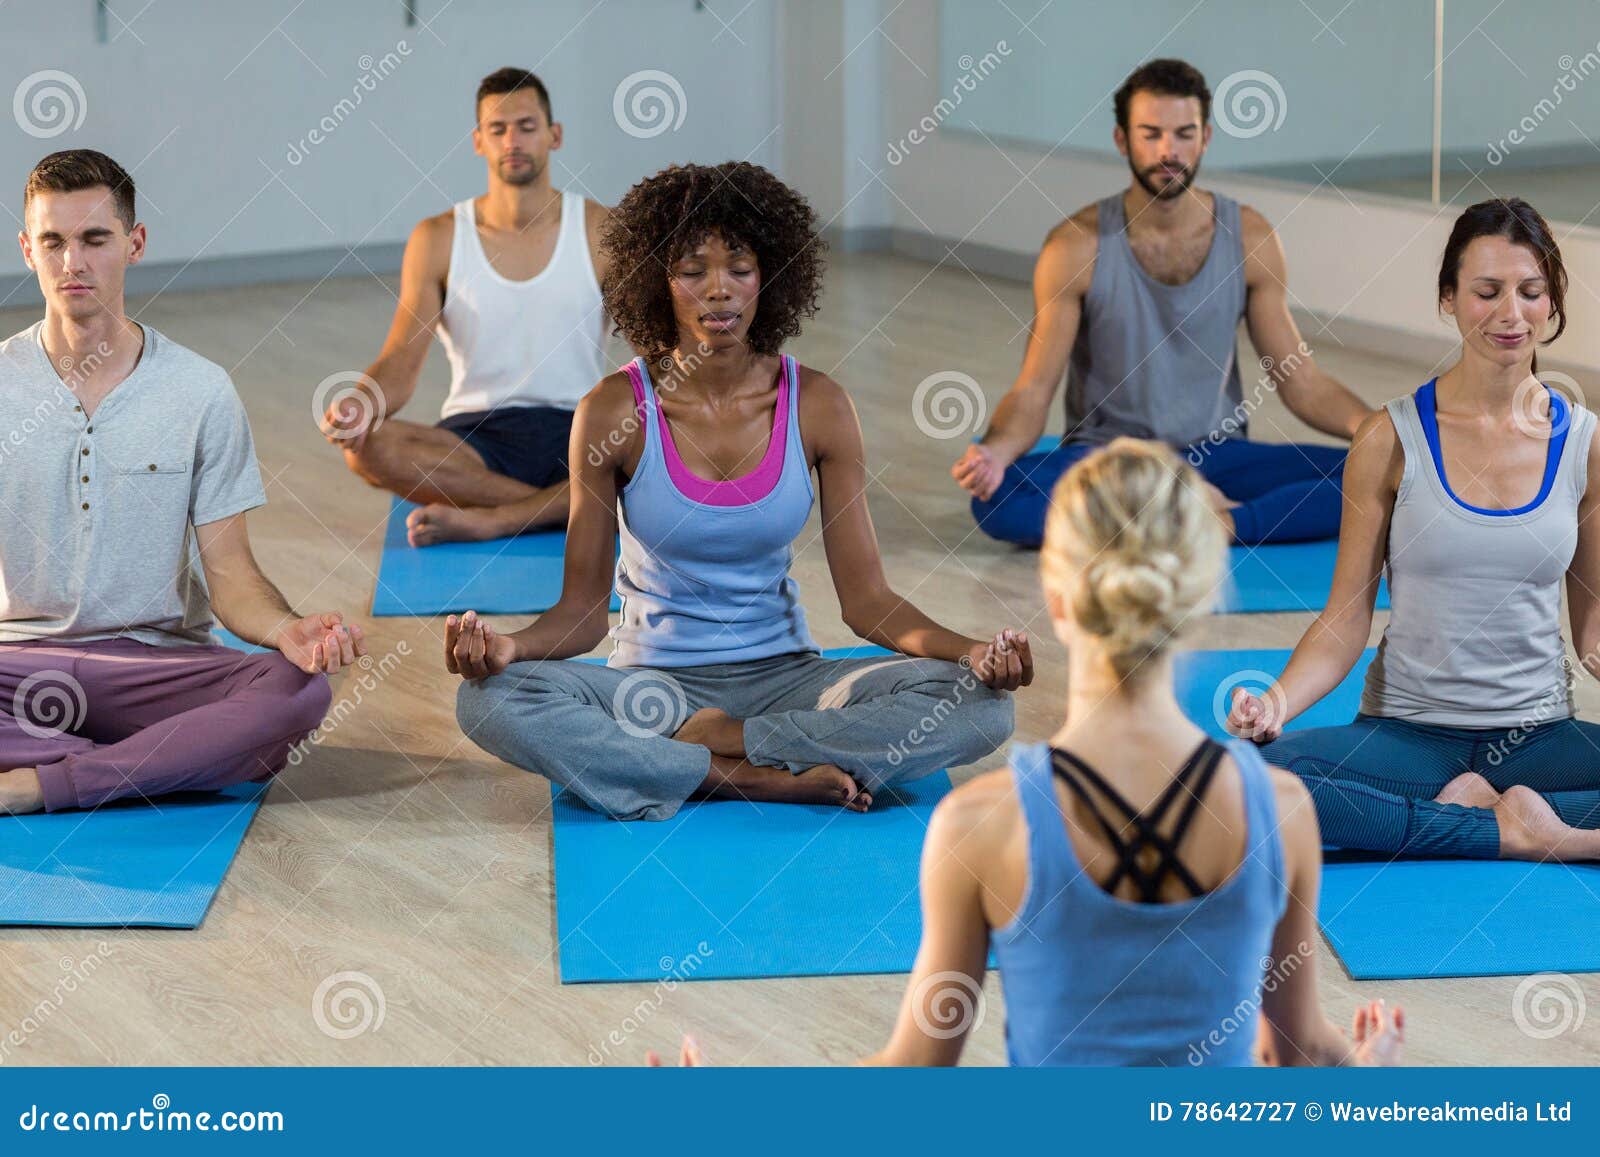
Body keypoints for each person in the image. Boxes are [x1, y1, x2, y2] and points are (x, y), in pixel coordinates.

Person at [653, 441, 1404, 1065]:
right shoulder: (1280, 810)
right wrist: (1368, 1071)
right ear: (1202, 590)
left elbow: (910, 1079)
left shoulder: (982, 822)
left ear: (1055, 594)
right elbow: (1301, 1047)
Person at [448, 161, 1028, 821]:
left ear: (769, 277)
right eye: (693, 270)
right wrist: (508, 648)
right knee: (487, 698)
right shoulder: (613, 412)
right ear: (656, 282)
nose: (719, 290)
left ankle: (724, 750)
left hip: (792, 682)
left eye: (740, 268)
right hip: (653, 690)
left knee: (982, 706)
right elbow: (582, 614)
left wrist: (975, 653)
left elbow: (870, 604)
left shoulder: (819, 404)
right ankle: (743, 777)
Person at [1229, 197, 1600, 862]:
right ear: (1449, 299)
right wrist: (1277, 700)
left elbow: (1593, 625)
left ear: (1553, 303)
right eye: (1486, 292)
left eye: (1531, 292)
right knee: (1243, 784)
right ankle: (1522, 831)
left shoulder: (1585, 445)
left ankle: (1458, 823)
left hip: (1540, 739)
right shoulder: (1389, 437)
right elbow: (1345, 620)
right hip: (1411, 737)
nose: (1510, 314)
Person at [0, 150, 361, 816]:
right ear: (27, 249)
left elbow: (232, 576)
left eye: (95, 239)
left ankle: (43, 777)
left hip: (154, 668)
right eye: (53, 241)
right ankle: (160, 758)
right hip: (19, 666)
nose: (73, 262)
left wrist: (287, 629)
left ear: (134, 245)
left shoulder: (199, 390)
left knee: (298, 690)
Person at [953, 58, 1371, 548]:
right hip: (1114, 461)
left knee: (1372, 477)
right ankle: (1201, 511)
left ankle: (1212, 519)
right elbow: (1033, 389)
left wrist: (1379, 433)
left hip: (1217, 456)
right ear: (1122, 140)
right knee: (1000, 500)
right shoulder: (1074, 247)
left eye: (1183, 134)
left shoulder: (1250, 238)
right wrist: (996, 453)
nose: (1168, 151)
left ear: (1206, 138)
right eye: (1150, 134)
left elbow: (1301, 381)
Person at [322, 67, 612, 546]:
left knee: (659, 439)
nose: (512, 140)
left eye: (526, 126)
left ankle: (498, 518)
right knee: (369, 448)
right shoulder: (437, 237)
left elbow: (654, 346)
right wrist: (362, 402)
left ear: (553, 135)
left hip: (581, 431)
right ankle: (568, 509)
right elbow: (401, 358)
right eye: (497, 130)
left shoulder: (601, 230)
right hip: (476, 438)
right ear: (479, 141)